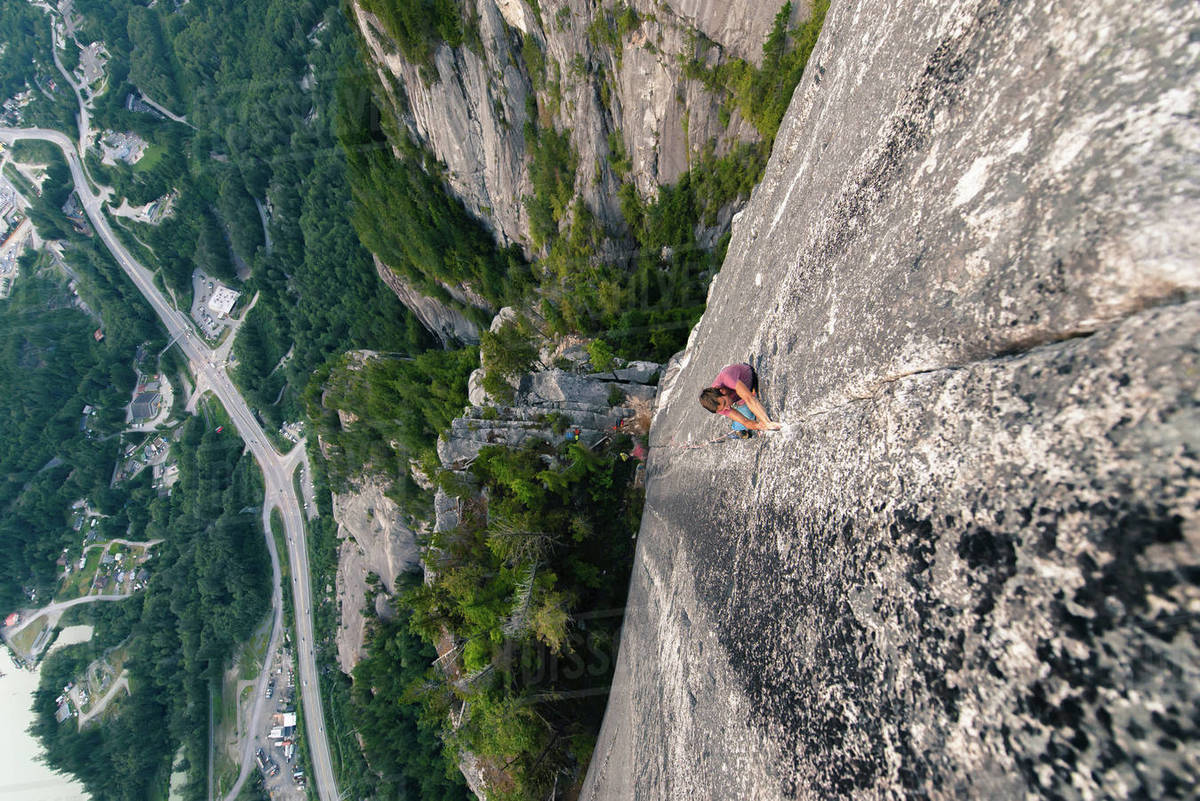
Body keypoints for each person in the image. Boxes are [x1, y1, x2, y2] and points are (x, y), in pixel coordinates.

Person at [698, 362, 781, 431]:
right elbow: (745, 422)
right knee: (744, 423)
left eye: (725, 403)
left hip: (749, 381)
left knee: (753, 412)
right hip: (741, 399)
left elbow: (749, 399)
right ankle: (736, 430)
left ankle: (738, 427)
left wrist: (767, 422)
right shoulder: (718, 406)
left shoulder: (726, 377)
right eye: (723, 409)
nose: (727, 408)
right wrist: (760, 426)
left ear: (722, 391)